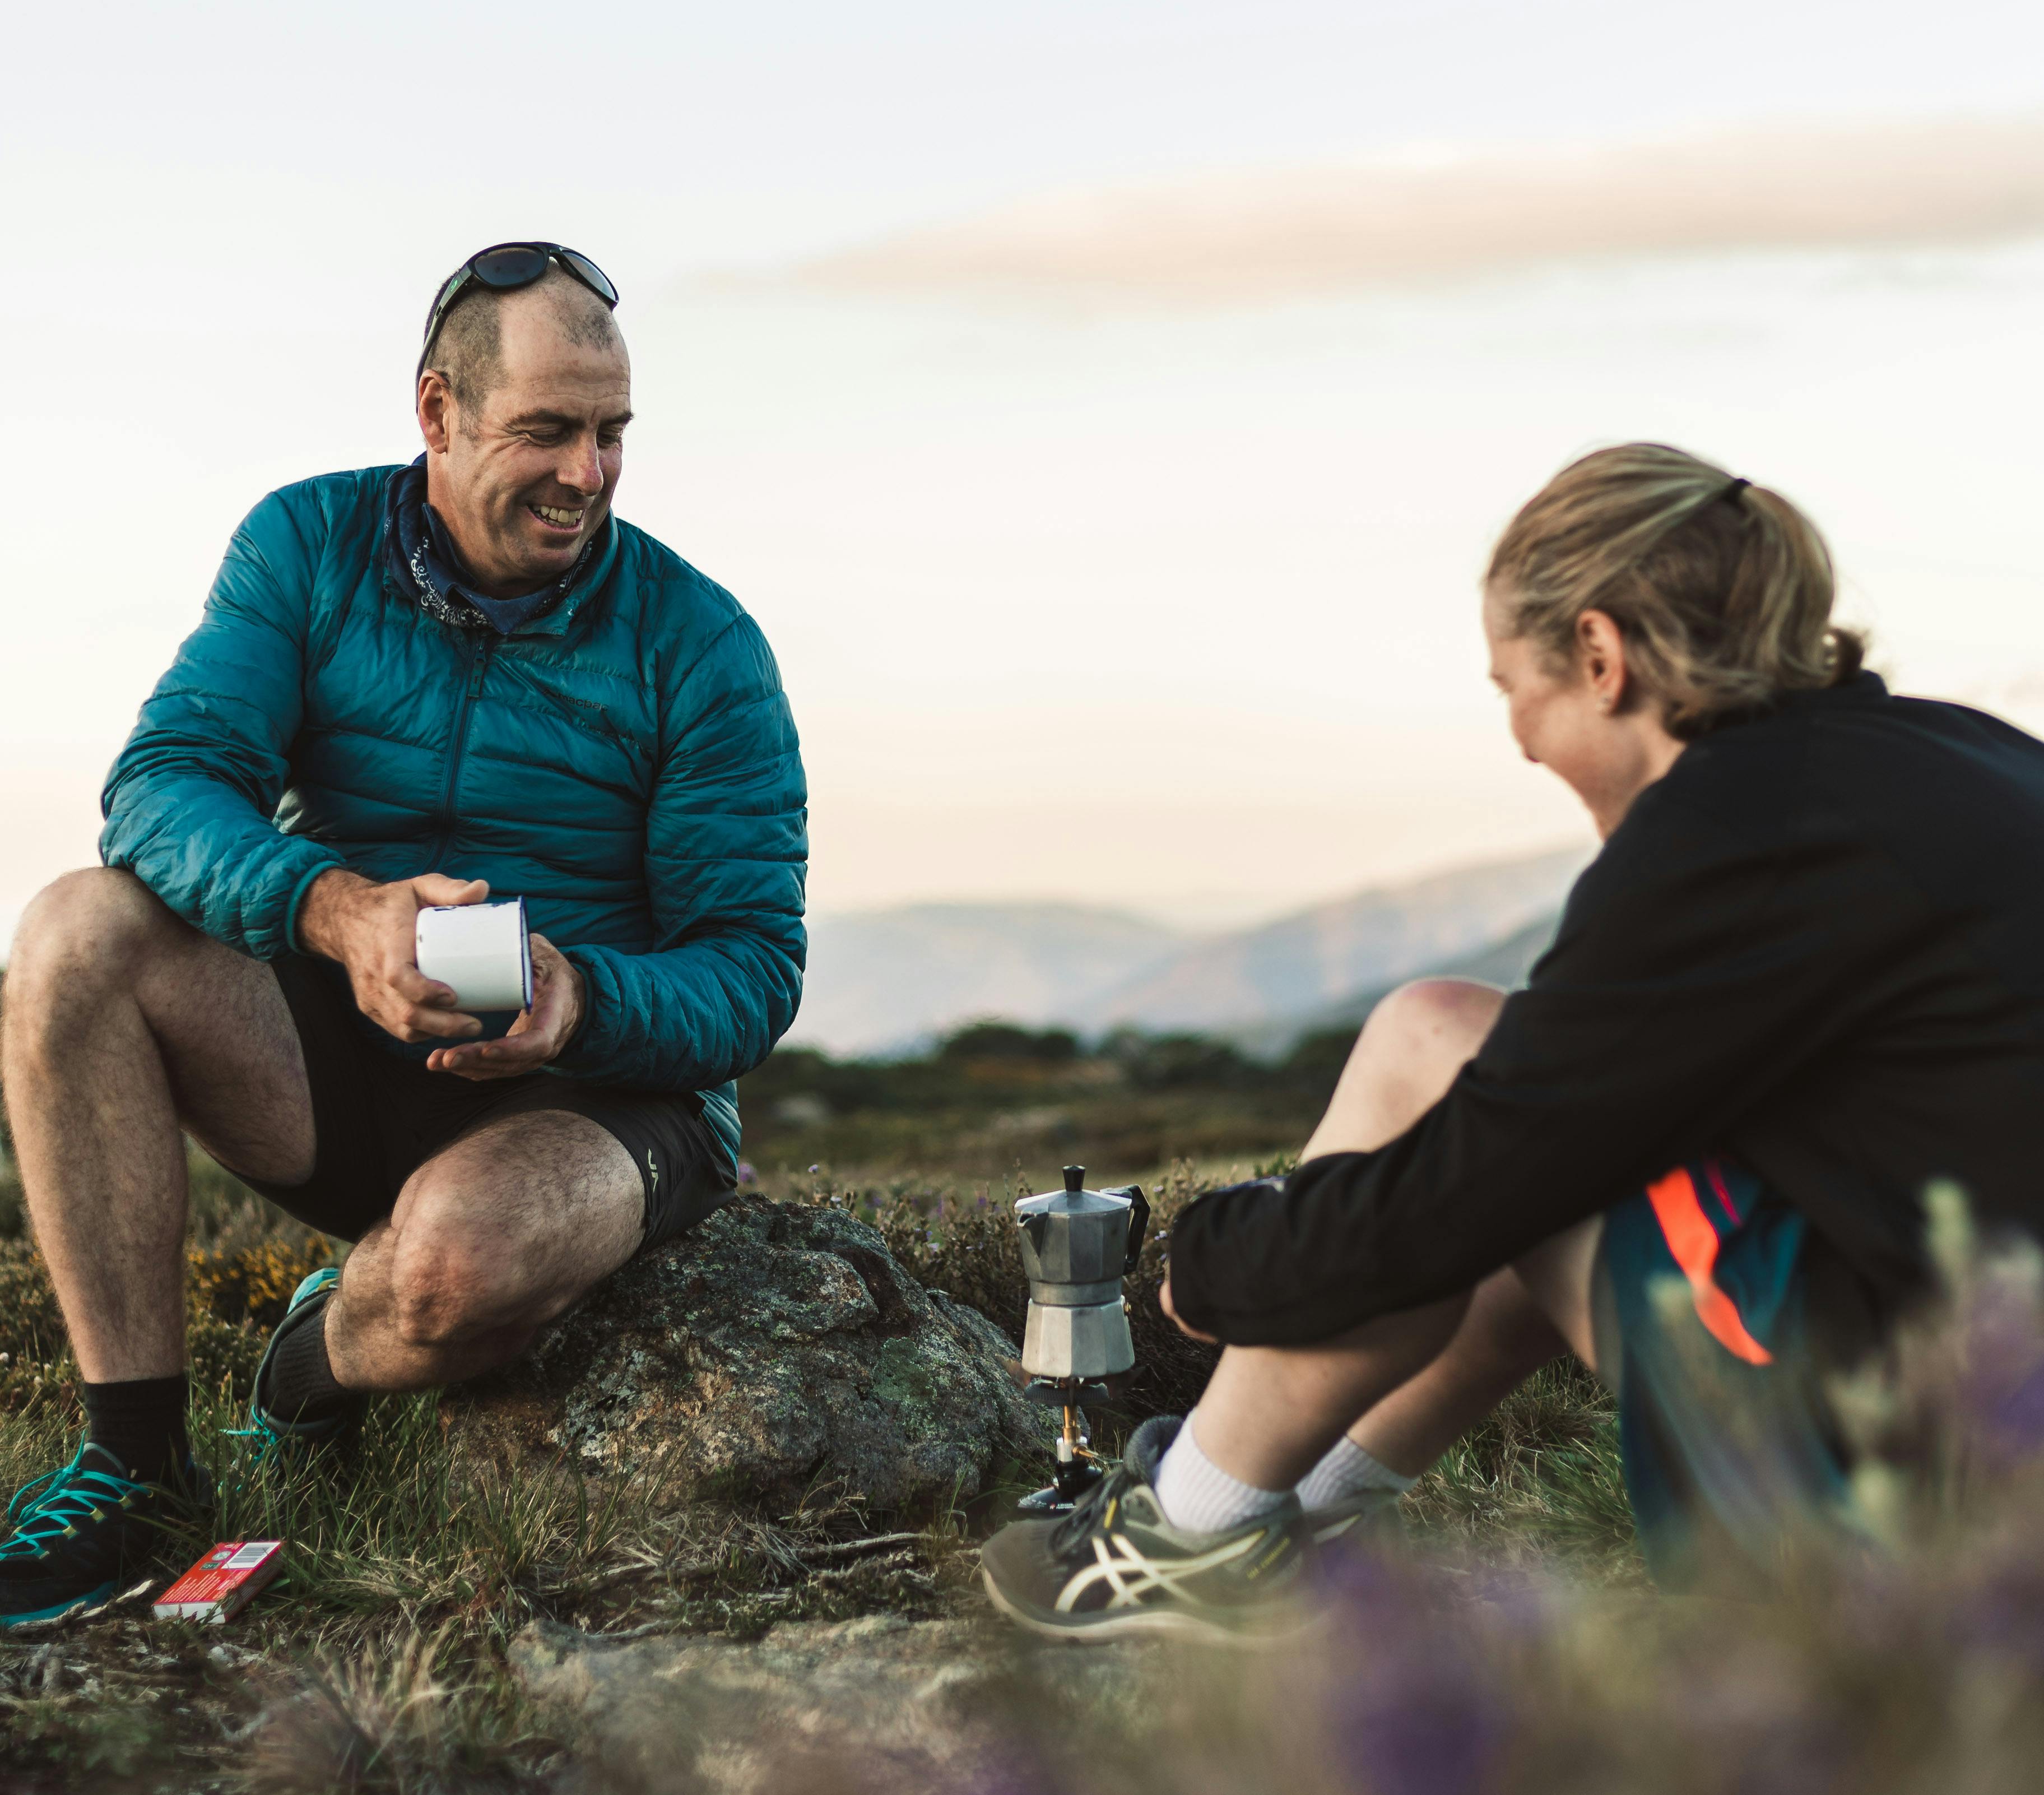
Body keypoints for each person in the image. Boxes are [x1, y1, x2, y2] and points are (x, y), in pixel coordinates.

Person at [982, 441, 2044, 1636]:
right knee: (1509, 1136)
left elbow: (1452, 1197)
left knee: (1431, 1048)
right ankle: (1281, 1530)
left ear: (1600, 655)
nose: (1521, 739)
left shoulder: (1741, 825)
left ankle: (1185, 1537)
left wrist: (1217, 1256)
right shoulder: (1967, 757)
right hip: (1980, 1433)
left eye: (1511, 690)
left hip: (1914, 1513)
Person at [0, 243, 806, 1630]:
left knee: (451, 1268)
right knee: (77, 928)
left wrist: (585, 1001)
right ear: (438, 412)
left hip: (598, 1092)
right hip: (342, 1034)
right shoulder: (307, 545)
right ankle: (134, 1469)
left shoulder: (702, 642)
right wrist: (337, 911)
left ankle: (308, 1367)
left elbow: (752, 963)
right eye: (546, 431)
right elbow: (164, 786)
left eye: (613, 432)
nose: (588, 475)